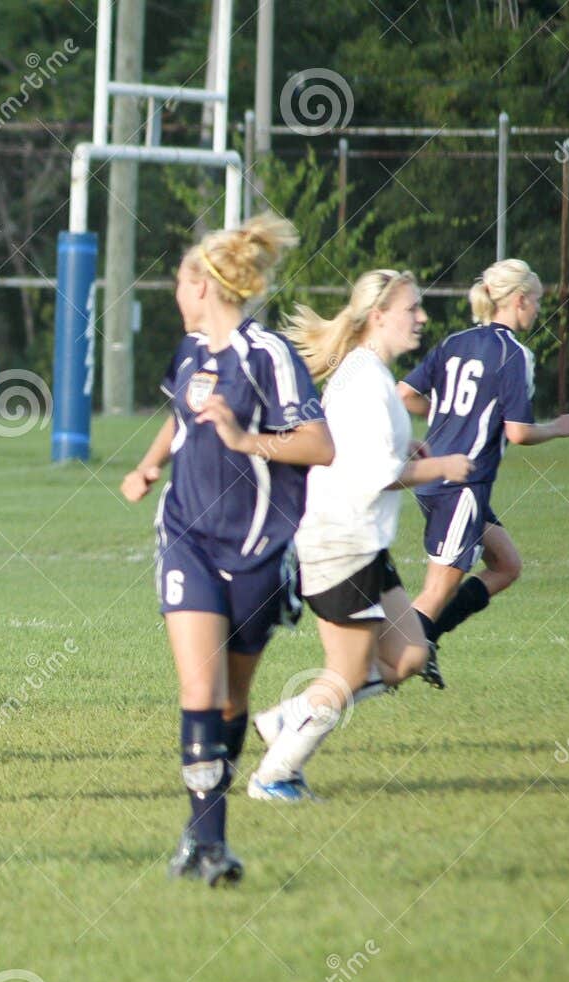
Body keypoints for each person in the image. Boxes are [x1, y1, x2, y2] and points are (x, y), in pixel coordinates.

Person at [121, 214, 333, 886]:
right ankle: (210, 845)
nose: (176, 292)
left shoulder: (267, 355)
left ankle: (199, 831)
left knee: (234, 700)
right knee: (199, 688)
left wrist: (248, 442)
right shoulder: (189, 354)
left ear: (204, 286)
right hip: (187, 534)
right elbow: (180, 420)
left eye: (181, 280)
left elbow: (319, 446)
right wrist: (149, 465)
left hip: (260, 548)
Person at [248, 270, 472, 799]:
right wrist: (442, 465)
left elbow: (368, 450)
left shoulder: (365, 370)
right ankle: (273, 776)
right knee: (345, 675)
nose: (421, 317)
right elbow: (376, 474)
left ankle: (289, 718)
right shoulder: (369, 381)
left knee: (409, 656)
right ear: (379, 316)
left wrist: (410, 446)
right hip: (338, 544)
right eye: (411, 308)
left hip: (363, 541)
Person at [397, 259, 569, 687]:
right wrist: (556, 428)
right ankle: (382, 666)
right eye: (535, 302)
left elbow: (403, 393)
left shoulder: (455, 341)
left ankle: (426, 641)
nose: (536, 311)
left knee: (506, 565)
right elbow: (516, 432)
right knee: (437, 590)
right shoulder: (513, 354)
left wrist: (441, 413)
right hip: (461, 485)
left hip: (434, 475)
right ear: (519, 300)